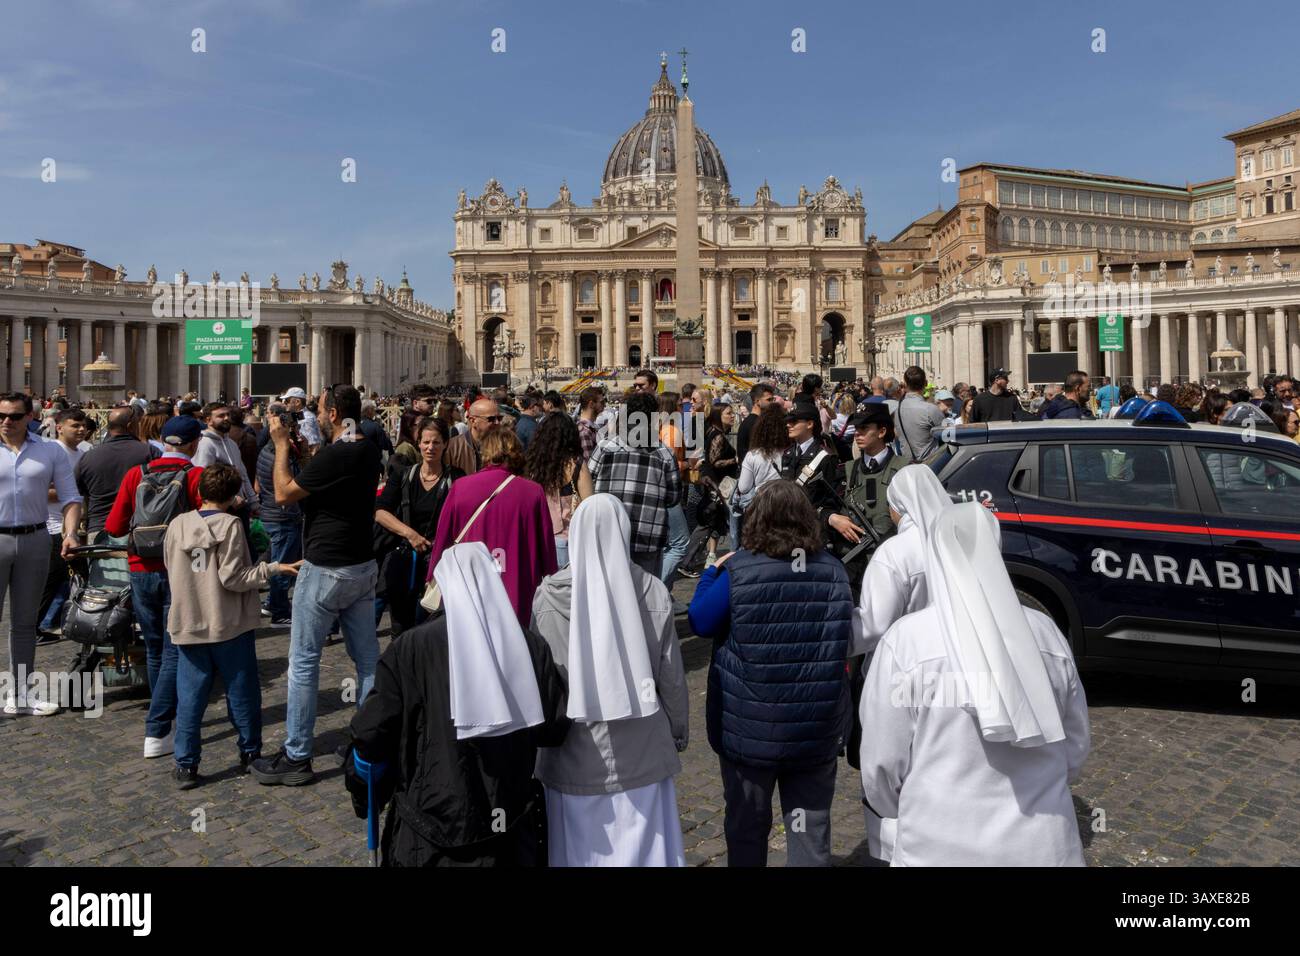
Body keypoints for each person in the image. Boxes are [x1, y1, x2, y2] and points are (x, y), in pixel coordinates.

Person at [858, 503, 1091, 866]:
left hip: (937, 845)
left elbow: (882, 762)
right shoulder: (1047, 634)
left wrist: (903, 807)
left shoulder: (907, 641)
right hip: (1042, 846)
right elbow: (1074, 746)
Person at [345, 542, 571, 866]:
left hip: (430, 829)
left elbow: (372, 734)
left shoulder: (410, 647)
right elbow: (554, 727)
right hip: (509, 828)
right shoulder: (528, 644)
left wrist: (365, 790)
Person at [688, 480, 852, 867]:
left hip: (751, 730)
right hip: (814, 729)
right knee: (809, 833)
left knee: (747, 828)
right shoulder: (833, 572)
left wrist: (712, 571)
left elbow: (700, 620)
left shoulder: (739, 571)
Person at [531, 494, 689, 866]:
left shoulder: (547, 596)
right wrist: (678, 731)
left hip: (573, 755)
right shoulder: (652, 590)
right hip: (643, 750)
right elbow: (671, 677)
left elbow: (543, 681)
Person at [251, 385, 382, 787]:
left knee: (304, 662)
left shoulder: (337, 453)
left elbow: (283, 493)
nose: (318, 414)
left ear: (334, 414)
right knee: (368, 662)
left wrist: (281, 446)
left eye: (322, 409)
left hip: (326, 568)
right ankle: (367, 744)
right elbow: (330, 484)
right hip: (363, 566)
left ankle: (297, 755)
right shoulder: (368, 447)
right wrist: (308, 453)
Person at [163, 464, 300, 789]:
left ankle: (186, 764)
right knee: (241, 692)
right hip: (227, 622)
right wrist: (273, 568)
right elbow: (234, 578)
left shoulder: (178, 524)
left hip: (189, 620)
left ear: (200, 492)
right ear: (233, 496)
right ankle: (250, 752)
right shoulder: (230, 526)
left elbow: (172, 565)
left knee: (191, 698)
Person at [849, 465, 953, 860]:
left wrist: (833, 638)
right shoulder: (956, 541)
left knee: (892, 758)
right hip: (954, 667)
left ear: (897, 507)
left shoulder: (895, 552)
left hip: (899, 671)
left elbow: (873, 627)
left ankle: (891, 849)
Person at [104, 415, 206, 749]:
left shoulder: (137, 474)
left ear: (163, 440)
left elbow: (116, 527)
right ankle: (158, 727)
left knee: (154, 646)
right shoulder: (196, 476)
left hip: (140, 568)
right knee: (176, 646)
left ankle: (167, 714)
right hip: (180, 570)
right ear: (194, 443)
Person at [0, 393, 83, 716]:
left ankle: (20, 694)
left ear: (29, 418)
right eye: (1, 415)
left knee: (24, 622)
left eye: (14, 416)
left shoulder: (49, 451)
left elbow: (71, 497)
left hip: (35, 537)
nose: (6, 421)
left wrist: (71, 532)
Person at [428, 428, 556, 627]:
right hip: (517, 584)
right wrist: (550, 578)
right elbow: (546, 548)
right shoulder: (532, 492)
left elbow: (443, 537)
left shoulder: (461, 487)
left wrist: (432, 575)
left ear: (485, 452)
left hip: (469, 583)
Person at [375, 416, 462, 636]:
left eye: (436, 442)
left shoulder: (457, 478)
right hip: (406, 560)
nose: (430, 447)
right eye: (426, 442)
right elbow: (379, 511)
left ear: (445, 444)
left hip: (440, 564)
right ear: (418, 443)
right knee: (401, 627)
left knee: (433, 628)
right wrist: (410, 534)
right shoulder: (404, 475)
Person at [587, 391, 682, 578]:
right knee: (644, 598)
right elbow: (673, 497)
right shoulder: (664, 453)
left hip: (609, 533)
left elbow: (588, 484)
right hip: (648, 536)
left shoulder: (605, 447)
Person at [255, 412, 306, 627]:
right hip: (283, 516)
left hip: (274, 513)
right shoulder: (280, 455)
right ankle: (279, 611)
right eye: (294, 428)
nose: (298, 432)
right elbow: (294, 483)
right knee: (283, 567)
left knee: (278, 560)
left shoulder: (267, 451)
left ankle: (271, 602)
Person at [524, 412, 593, 570]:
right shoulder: (576, 465)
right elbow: (589, 505)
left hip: (537, 538)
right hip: (567, 540)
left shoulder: (531, 466)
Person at [733, 403, 788, 541]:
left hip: (761, 508)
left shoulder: (753, 455)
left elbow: (743, 487)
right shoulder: (791, 452)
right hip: (787, 505)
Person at [695, 402, 739, 566]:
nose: (732, 415)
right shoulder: (718, 435)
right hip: (718, 484)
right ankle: (694, 557)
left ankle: (710, 554)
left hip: (714, 482)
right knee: (716, 520)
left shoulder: (714, 432)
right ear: (718, 416)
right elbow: (715, 462)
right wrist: (735, 460)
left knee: (715, 520)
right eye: (728, 413)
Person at [194, 402, 256, 506]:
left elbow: (242, 474)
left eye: (228, 415)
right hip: (219, 508)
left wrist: (253, 501)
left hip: (240, 506)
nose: (227, 418)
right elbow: (203, 480)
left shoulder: (231, 443)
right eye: (221, 416)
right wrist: (232, 501)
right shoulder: (205, 444)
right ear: (208, 420)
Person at [894, 366, 946, 462]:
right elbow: (948, 436)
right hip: (929, 464)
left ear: (905, 384)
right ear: (925, 383)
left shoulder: (898, 409)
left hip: (907, 465)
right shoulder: (930, 409)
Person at [444, 397, 500, 476]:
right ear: (473, 421)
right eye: (491, 419)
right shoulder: (452, 447)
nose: (497, 422)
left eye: (499, 418)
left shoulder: (505, 446)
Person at [735, 383, 775, 461]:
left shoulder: (756, 421)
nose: (772, 402)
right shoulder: (753, 423)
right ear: (757, 401)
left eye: (773, 399)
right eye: (769, 400)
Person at [576, 387, 606, 464]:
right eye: (602, 402)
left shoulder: (589, 428)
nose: (605, 405)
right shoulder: (584, 431)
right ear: (591, 404)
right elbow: (588, 464)